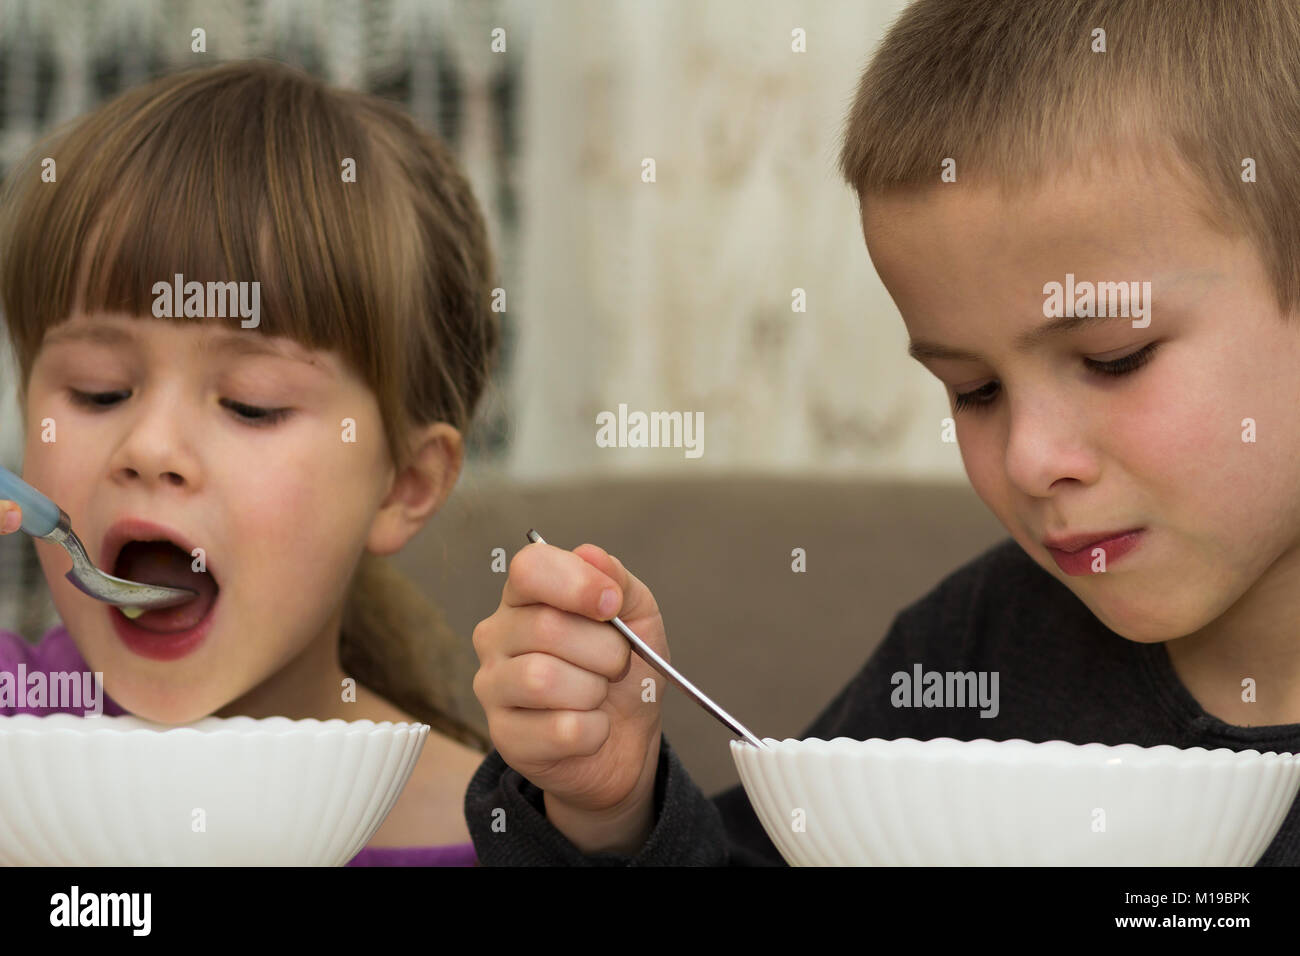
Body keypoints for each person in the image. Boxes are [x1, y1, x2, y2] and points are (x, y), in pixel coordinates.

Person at [465, 0, 1300, 865]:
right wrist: (610, 813)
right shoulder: (975, 647)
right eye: (972, 391)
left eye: (1114, 357)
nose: (1030, 459)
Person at [0, 58, 499, 866]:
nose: (150, 448)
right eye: (97, 392)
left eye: (251, 404)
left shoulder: (503, 838)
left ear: (403, 484)